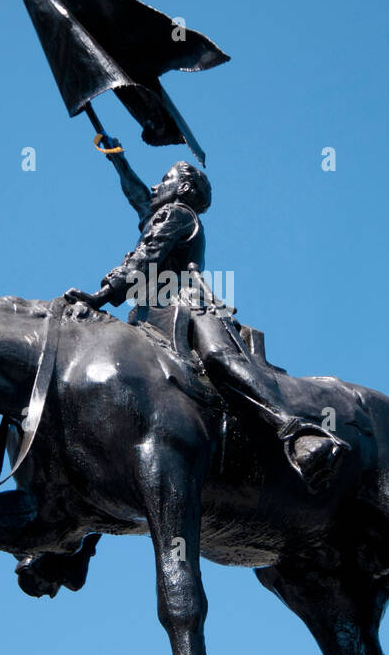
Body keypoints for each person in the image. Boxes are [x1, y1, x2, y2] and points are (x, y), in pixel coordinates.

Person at [65, 143, 348, 490]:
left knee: (218, 358)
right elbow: (138, 194)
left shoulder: (179, 214)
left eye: (164, 180)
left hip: (190, 306)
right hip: (152, 313)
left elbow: (146, 257)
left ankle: (295, 430)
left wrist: (102, 295)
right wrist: (116, 156)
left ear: (183, 190)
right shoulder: (161, 213)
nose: (156, 186)